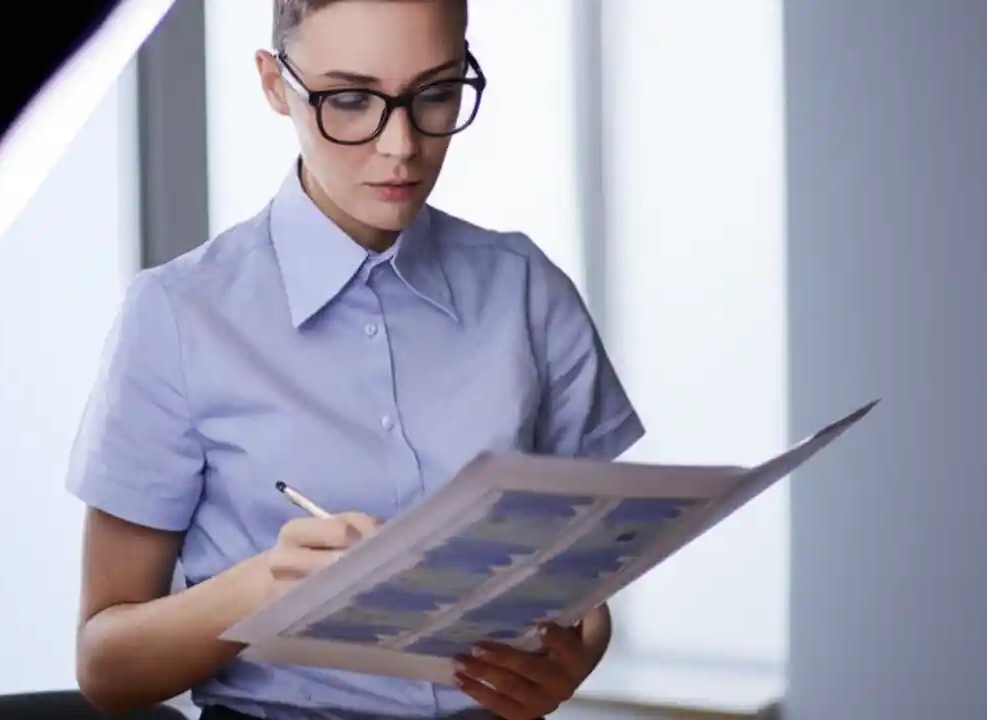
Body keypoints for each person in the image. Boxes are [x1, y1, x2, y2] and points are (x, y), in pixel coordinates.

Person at [66, 1, 644, 718]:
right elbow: (105, 665)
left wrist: (571, 659)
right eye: (349, 100)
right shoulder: (178, 315)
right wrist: (261, 591)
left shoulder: (526, 290)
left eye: (435, 93)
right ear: (275, 86)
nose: (401, 145)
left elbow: (582, 589)